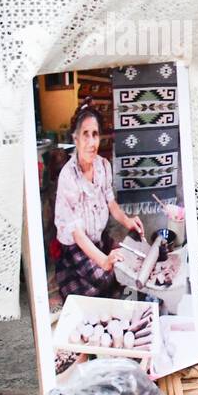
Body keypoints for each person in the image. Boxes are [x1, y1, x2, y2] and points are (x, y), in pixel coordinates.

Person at [53, 105, 144, 299]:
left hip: (98, 240)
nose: (91, 142)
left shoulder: (103, 165)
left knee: (124, 266)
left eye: (95, 134)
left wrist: (128, 221)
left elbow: (110, 202)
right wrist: (104, 261)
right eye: (85, 134)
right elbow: (77, 234)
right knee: (106, 278)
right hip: (76, 249)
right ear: (75, 139)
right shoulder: (68, 177)